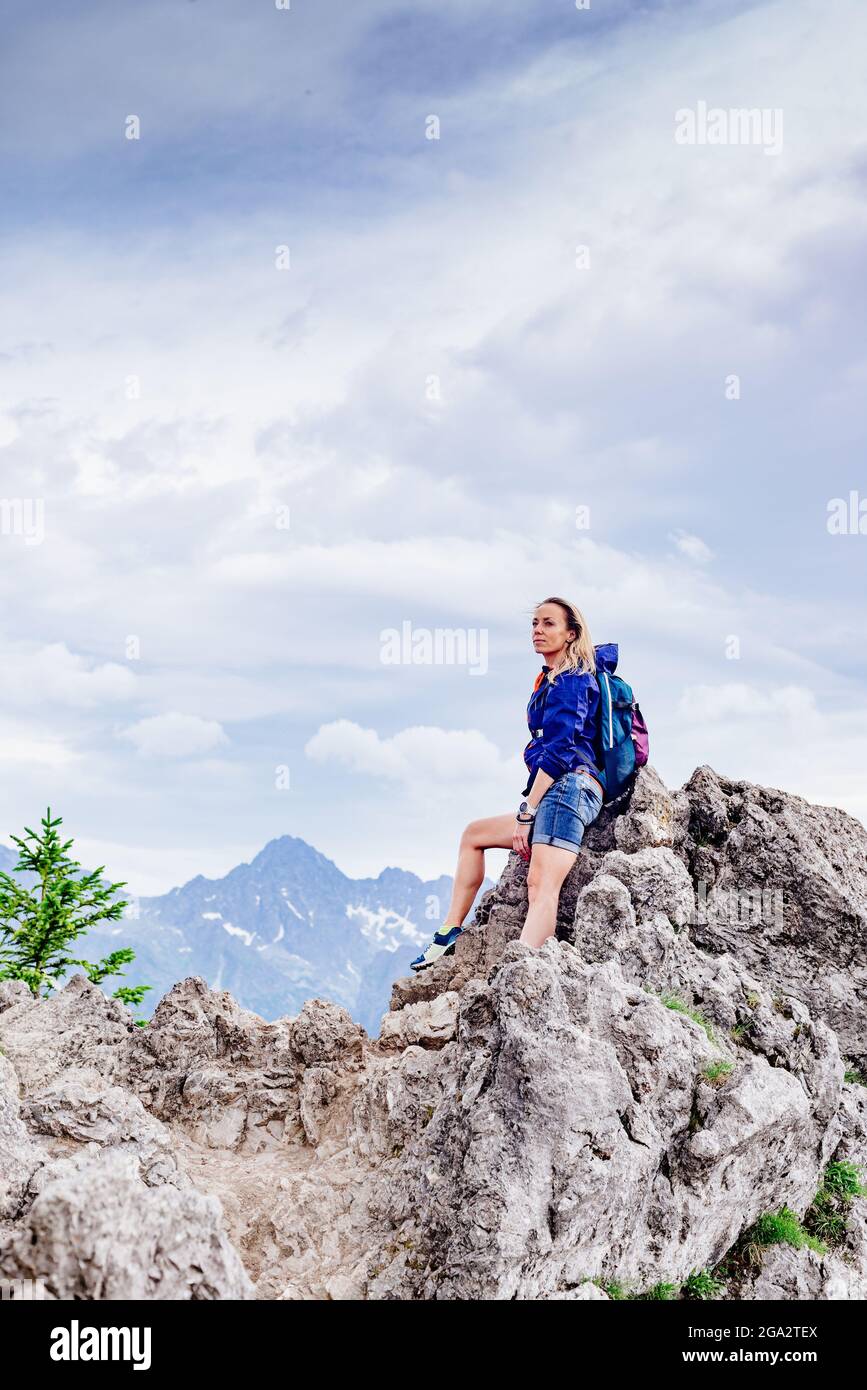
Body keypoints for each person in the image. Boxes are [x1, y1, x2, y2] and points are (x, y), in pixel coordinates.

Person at [410, 596, 606, 971]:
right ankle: (449, 932)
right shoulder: (550, 679)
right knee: (474, 835)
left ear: (571, 633)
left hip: (569, 790)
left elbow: (562, 751)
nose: (538, 630)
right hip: (555, 791)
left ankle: (523, 978)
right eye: (534, 623)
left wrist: (527, 811)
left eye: (549, 624)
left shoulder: (572, 679)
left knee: (541, 886)